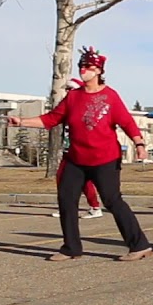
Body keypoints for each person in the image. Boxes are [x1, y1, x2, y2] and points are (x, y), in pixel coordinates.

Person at [8, 47, 153, 261]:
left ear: (98, 71)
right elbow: (51, 119)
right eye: (81, 66)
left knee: (112, 200)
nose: (83, 70)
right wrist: (22, 122)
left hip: (104, 159)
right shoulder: (73, 96)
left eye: (87, 67)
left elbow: (127, 122)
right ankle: (71, 248)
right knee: (66, 199)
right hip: (75, 159)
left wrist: (139, 144)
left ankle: (139, 245)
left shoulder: (110, 96)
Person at [51, 78, 103, 219]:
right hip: (70, 150)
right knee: (68, 179)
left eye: (70, 89)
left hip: (81, 151)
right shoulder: (68, 105)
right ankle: (90, 207)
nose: (68, 92)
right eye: (67, 89)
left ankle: (92, 207)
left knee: (75, 180)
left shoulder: (81, 105)